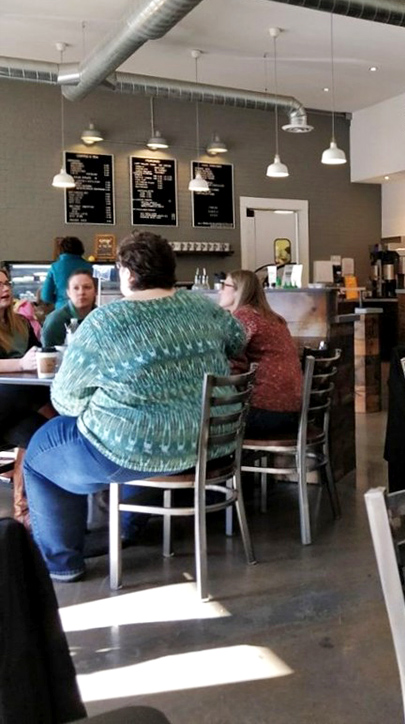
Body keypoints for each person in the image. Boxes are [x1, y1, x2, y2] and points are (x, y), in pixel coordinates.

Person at [23, 232, 246, 582]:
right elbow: (238, 341)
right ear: (171, 270)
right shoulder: (205, 308)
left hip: (134, 448)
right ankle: (128, 524)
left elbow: (64, 400)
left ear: (126, 273)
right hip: (209, 443)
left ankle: (63, 564)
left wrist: (100, 404)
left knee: (38, 457)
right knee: (132, 442)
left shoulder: (105, 322)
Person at [218, 269, 302, 437]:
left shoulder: (244, 317)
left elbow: (231, 361)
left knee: (207, 423)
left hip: (265, 412)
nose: (219, 290)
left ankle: (230, 463)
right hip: (293, 411)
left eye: (224, 285)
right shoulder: (273, 317)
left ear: (238, 290)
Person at [0, 268, 51, 448]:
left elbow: (36, 353)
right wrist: (21, 364)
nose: (5, 289)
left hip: (14, 411)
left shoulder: (21, 322)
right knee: (24, 390)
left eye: (7, 283)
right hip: (13, 396)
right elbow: (26, 363)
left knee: (46, 438)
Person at [41, 269, 97, 348]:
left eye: (87, 287)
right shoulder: (56, 320)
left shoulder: (101, 318)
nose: (81, 292)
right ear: (68, 293)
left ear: (95, 291)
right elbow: (48, 354)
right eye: (76, 288)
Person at [42, 238, 93, 309]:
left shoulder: (55, 267)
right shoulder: (88, 266)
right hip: (84, 310)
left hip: (61, 309)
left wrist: (59, 300)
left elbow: (45, 296)